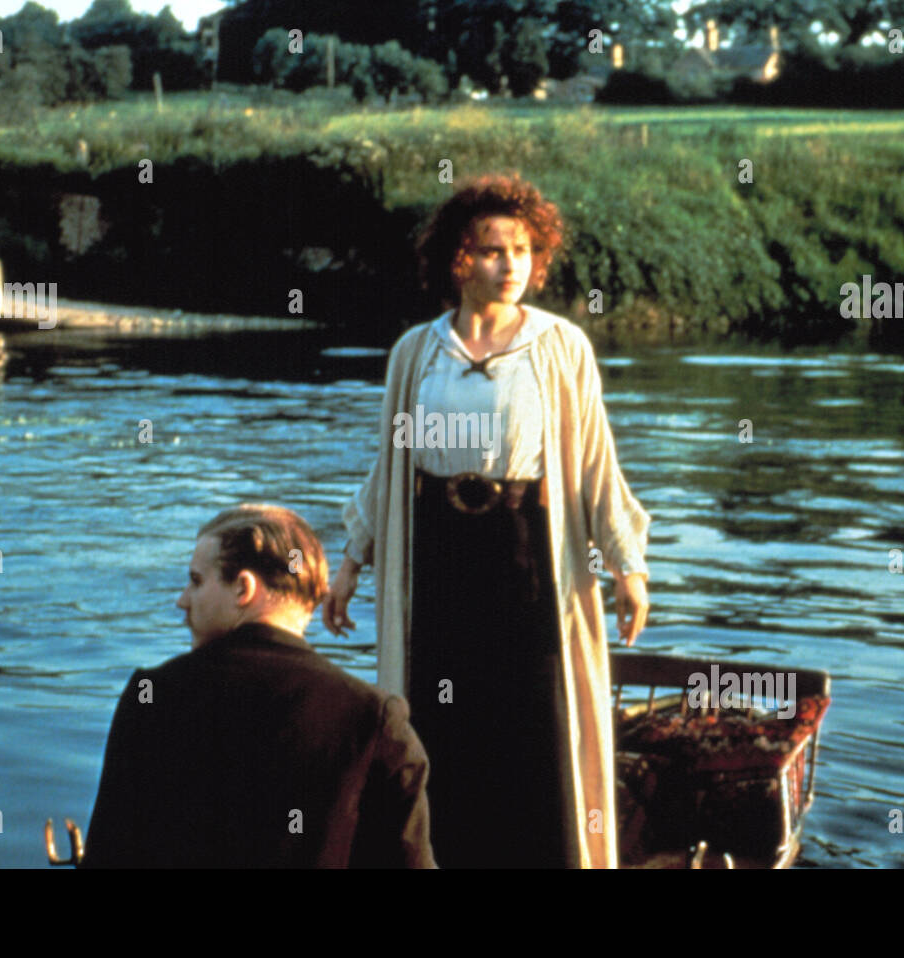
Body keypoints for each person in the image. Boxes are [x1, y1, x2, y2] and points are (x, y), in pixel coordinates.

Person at [323, 173, 650, 868]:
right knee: (440, 715)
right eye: (493, 251)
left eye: (524, 251)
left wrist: (627, 563)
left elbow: (595, 462)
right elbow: (390, 463)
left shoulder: (561, 348)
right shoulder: (417, 352)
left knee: (534, 713)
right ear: (457, 259)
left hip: (527, 550)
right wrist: (352, 560)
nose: (511, 266)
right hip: (438, 551)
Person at [81, 504, 435, 868]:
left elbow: (109, 856)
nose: (182, 599)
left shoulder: (153, 695)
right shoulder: (372, 717)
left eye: (196, 580)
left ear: (243, 588)